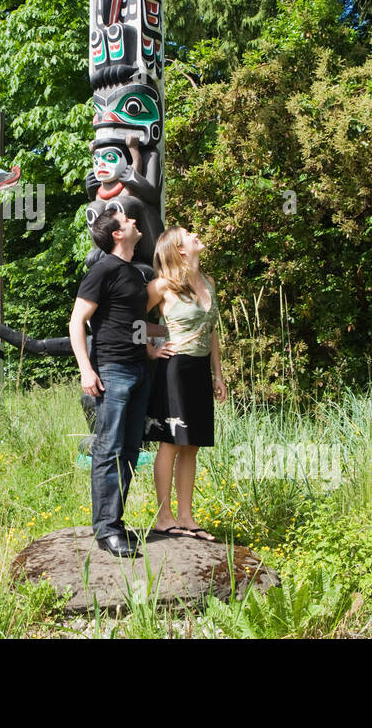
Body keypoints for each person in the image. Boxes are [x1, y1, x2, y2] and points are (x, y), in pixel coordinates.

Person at [70, 207, 169, 559]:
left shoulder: (130, 273)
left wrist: (155, 346)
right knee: (108, 449)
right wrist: (86, 368)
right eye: (126, 220)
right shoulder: (103, 269)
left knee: (129, 450)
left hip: (138, 370)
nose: (132, 221)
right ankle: (106, 530)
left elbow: (132, 321)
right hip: (111, 371)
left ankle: (115, 521)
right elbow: (77, 321)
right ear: (116, 233)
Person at [145, 226, 228, 542]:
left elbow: (213, 331)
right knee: (172, 440)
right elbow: (131, 318)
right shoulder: (163, 285)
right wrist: (150, 349)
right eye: (188, 235)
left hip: (199, 370)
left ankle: (186, 516)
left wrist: (218, 374)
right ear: (178, 249)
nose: (196, 235)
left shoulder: (209, 282)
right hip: (175, 369)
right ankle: (164, 517)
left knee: (191, 443)